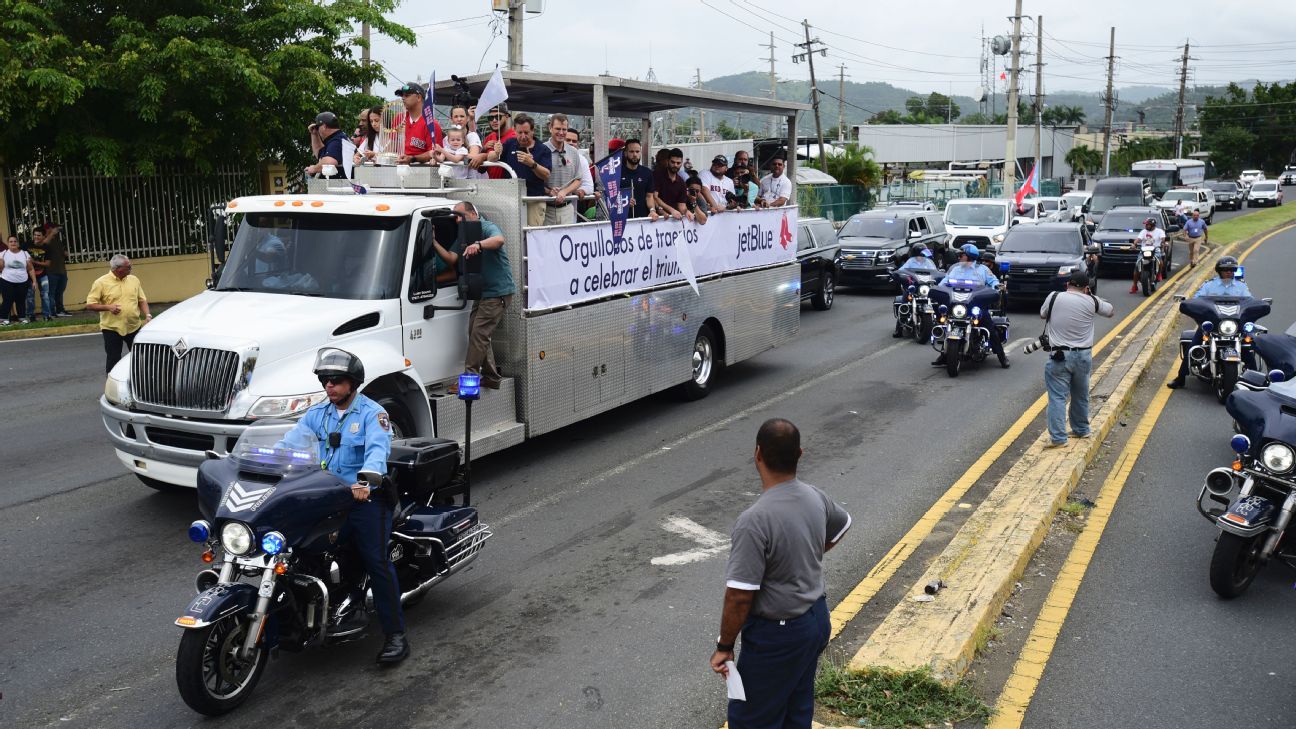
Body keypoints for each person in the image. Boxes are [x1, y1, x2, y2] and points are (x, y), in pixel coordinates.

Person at [711, 418, 851, 729]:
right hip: (815, 621)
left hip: (778, 636)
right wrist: (808, 552)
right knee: (795, 711)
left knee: (752, 719)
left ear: (757, 454)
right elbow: (842, 525)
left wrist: (724, 647)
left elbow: (738, 596)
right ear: (799, 454)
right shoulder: (815, 496)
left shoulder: (754, 521)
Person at [284, 347, 409, 664]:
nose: (329, 386)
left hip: (366, 499)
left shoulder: (372, 414)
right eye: (325, 380)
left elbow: (377, 453)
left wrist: (365, 483)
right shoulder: (317, 415)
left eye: (336, 380)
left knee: (376, 562)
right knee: (296, 550)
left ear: (352, 383)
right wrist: (256, 462)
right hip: (328, 497)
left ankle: (396, 635)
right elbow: (290, 444)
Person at [431, 201, 514, 390]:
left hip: (497, 292)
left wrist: (478, 244)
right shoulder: (464, 233)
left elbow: (499, 240)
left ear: (472, 214)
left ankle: (470, 380)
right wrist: (433, 242)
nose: (457, 221)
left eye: (461, 216)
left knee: (479, 335)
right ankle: (491, 377)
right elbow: (452, 258)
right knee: (476, 333)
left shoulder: (486, 226)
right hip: (483, 293)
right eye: (456, 217)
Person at [1040, 271, 1114, 446]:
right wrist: (1091, 297)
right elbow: (1110, 311)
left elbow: (1043, 314)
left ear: (1067, 285)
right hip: (1083, 356)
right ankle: (1081, 430)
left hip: (1059, 356)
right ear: (1086, 288)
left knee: (1057, 397)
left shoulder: (1054, 296)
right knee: (1081, 394)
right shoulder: (1092, 301)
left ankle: (1058, 438)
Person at [1167, 256, 1252, 390]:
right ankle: (1180, 377)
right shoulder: (1209, 285)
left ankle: (1255, 379)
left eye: (1231, 269)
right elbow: (1197, 299)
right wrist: (1191, 304)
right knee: (1193, 346)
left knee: (1249, 346)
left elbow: (1249, 301)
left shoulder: (1241, 286)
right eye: (1226, 269)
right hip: (1212, 325)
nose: (1229, 272)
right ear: (1219, 271)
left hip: (1233, 325)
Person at [932, 244, 1009, 368]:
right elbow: (944, 282)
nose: (959, 257)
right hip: (957, 304)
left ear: (969, 256)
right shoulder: (956, 269)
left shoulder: (982, 269)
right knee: (947, 323)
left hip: (975, 305)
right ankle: (945, 354)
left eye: (961, 255)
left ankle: (1002, 357)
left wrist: (997, 286)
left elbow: (993, 280)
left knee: (990, 328)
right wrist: (937, 288)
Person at [85, 254, 151, 372]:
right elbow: (90, 304)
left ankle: (141, 381)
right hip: (112, 328)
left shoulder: (134, 280)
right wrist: (108, 307)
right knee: (114, 359)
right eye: (128, 267)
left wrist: (147, 315)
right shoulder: (100, 283)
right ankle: (111, 385)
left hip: (133, 326)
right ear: (118, 269)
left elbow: (141, 299)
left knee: (140, 357)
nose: (131, 268)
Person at [491, 113, 551, 227]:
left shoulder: (543, 149)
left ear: (533, 131)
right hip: (510, 200)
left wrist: (532, 164)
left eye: (526, 133)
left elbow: (546, 174)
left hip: (533, 201)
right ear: (514, 130)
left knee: (533, 237)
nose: (523, 136)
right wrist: (496, 152)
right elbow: (491, 158)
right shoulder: (509, 144)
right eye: (520, 133)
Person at [541, 114, 583, 225]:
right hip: (546, 209)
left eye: (564, 129)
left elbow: (578, 179)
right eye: (557, 129)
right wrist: (549, 192)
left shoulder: (573, 152)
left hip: (567, 209)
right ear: (550, 128)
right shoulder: (541, 150)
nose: (561, 132)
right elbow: (534, 180)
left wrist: (564, 192)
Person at [395, 81, 441, 164]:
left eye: (407, 95)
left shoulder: (431, 124)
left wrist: (412, 158)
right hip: (397, 168)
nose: (403, 98)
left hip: (420, 171)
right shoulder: (399, 118)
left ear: (419, 97)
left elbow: (435, 153)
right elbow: (391, 145)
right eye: (402, 95)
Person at [1, 234, 37, 325]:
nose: (13, 243)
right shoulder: (3, 254)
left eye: (15, 241)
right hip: (7, 281)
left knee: (20, 300)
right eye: (11, 241)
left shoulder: (25, 254)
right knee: (7, 300)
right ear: (8, 243)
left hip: (22, 281)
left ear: (18, 243)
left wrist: (34, 281)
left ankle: (22, 318)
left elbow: (30, 269)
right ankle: (3, 320)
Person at [305, 112, 352, 179]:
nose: (318, 130)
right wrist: (314, 134)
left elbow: (329, 163)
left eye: (318, 127)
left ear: (324, 126)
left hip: (340, 186)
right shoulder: (337, 138)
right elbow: (320, 153)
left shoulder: (337, 141)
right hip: (340, 185)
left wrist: (314, 168)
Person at [619, 139, 657, 220]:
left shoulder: (647, 173)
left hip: (643, 220)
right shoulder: (617, 173)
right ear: (625, 153)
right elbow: (610, 196)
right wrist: (623, 201)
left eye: (637, 151)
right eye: (631, 152)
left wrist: (652, 210)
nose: (635, 154)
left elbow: (649, 196)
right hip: (622, 220)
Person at [40, 223, 71, 317]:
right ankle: (52, 312)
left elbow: (62, 253)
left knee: (60, 291)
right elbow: (44, 243)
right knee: (51, 293)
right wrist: (51, 233)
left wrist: (65, 254)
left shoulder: (58, 240)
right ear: (48, 229)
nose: (56, 230)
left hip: (61, 270)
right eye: (54, 228)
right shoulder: (44, 239)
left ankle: (60, 310)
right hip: (51, 271)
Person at [652, 148, 691, 221]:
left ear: (682, 163)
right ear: (668, 161)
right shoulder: (657, 175)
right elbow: (655, 197)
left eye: (678, 163)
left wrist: (686, 211)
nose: (675, 165)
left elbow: (681, 205)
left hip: (672, 222)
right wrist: (671, 210)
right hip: (657, 219)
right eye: (672, 162)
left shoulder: (681, 182)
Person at [1129, 218, 1166, 293]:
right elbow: (1138, 239)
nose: (1146, 226)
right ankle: (1134, 285)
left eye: (1147, 224)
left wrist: (1163, 243)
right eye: (1146, 224)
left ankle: (1159, 274)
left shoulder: (1159, 231)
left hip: (1155, 250)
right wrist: (1134, 244)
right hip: (1144, 250)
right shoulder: (1143, 231)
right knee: (1136, 266)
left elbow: (1163, 238)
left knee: (1160, 262)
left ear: (1152, 225)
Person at [481, 104, 515, 179]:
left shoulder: (514, 137)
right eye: (490, 118)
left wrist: (484, 156)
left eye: (498, 117)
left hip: (509, 184)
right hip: (492, 185)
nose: (494, 120)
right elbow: (481, 170)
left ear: (507, 117)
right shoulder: (489, 138)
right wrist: (483, 149)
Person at [25, 227, 53, 320]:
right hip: (29, 275)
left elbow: (48, 264)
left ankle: (46, 316)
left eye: (39, 235)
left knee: (45, 295)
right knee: (30, 296)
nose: (36, 237)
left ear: (44, 236)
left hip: (43, 275)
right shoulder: (26, 245)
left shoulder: (47, 248)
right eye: (35, 235)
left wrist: (35, 262)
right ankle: (31, 316)